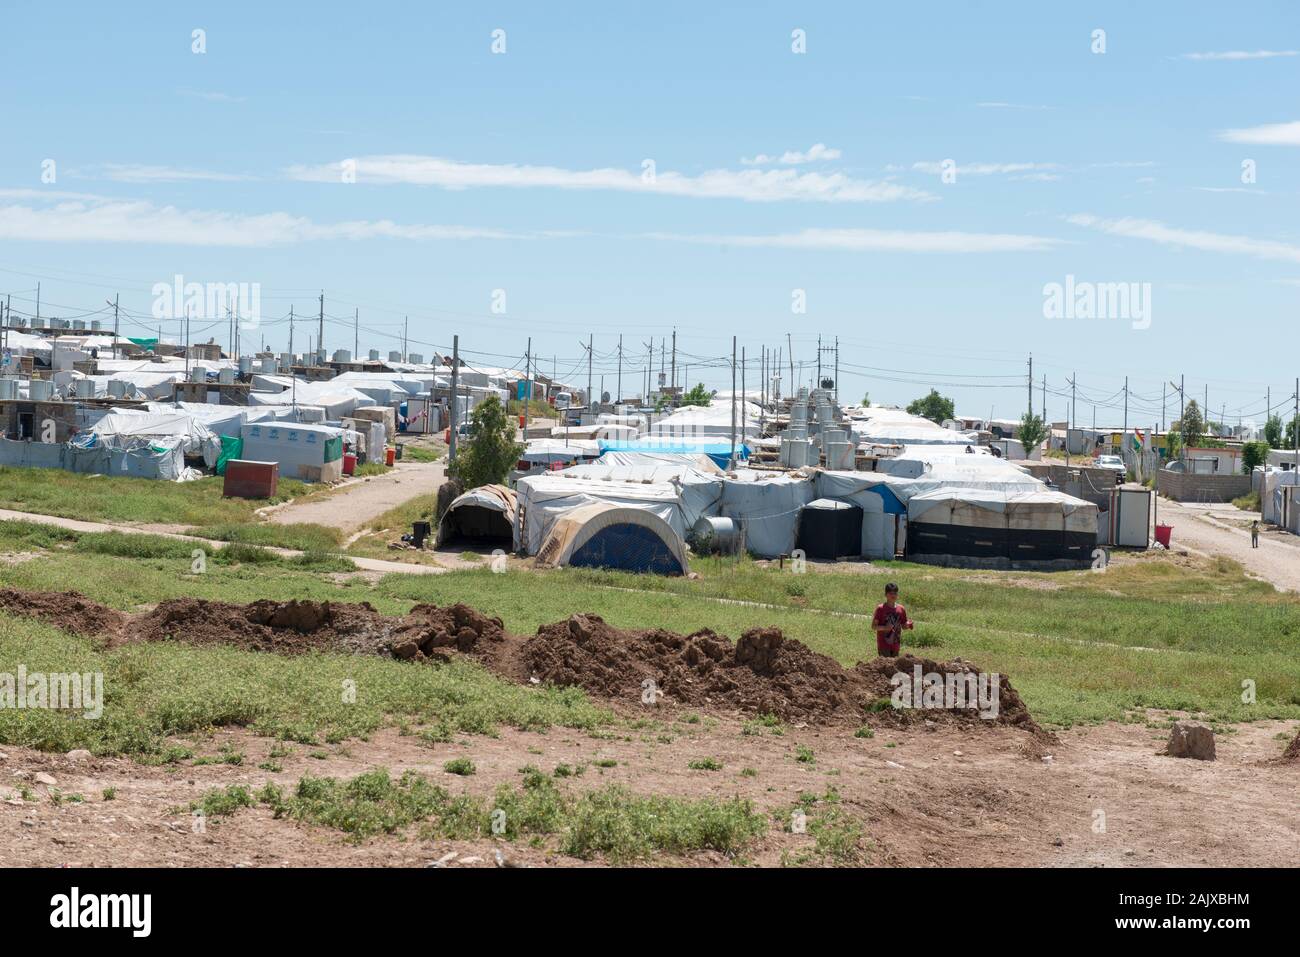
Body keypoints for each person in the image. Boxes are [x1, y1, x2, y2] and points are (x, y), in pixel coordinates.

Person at [872, 582, 913, 657]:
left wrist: (908, 625)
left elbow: (903, 626)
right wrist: (885, 628)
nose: (893, 595)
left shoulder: (901, 609)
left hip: (896, 645)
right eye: (890, 593)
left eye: (895, 593)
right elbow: (874, 626)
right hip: (883, 645)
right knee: (886, 666)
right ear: (886, 595)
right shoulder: (880, 608)